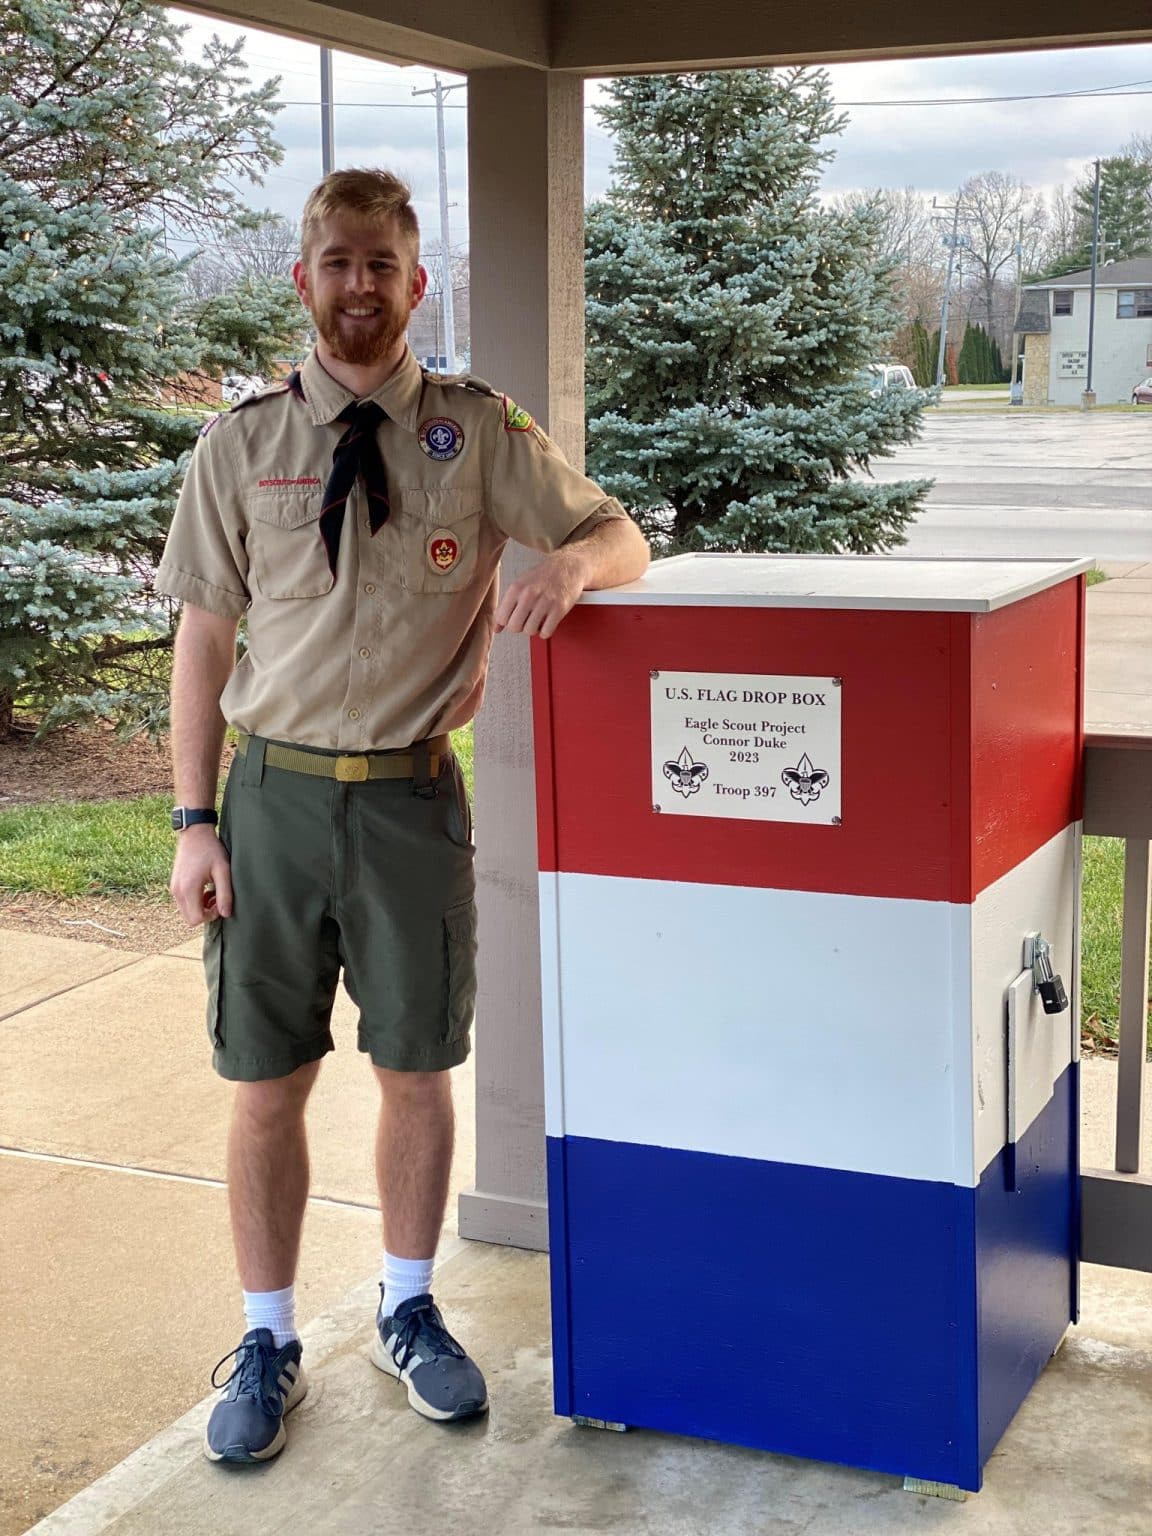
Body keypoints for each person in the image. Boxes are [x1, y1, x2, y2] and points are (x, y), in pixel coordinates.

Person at [156, 168, 649, 1466]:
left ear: (414, 282)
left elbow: (616, 530)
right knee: (267, 1080)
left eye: (381, 262)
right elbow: (203, 646)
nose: (358, 283)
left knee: (416, 1070)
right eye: (336, 260)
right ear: (304, 278)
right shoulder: (240, 445)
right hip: (265, 803)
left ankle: (408, 1305)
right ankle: (266, 1335)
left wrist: (574, 569)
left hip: (410, 802)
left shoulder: (475, 432)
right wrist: (192, 822)